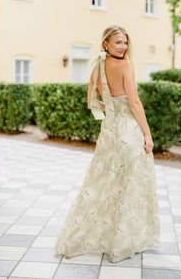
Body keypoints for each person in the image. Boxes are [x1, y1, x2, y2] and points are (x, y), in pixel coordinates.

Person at [54, 25, 160, 263]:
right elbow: (134, 101)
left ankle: (106, 236)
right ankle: (122, 241)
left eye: (125, 42)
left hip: (109, 132)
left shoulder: (98, 65)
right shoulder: (126, 65)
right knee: (130, 183)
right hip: (128, 130)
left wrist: (110, 108)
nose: (122, 47)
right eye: (118, 42)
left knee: (107, 181)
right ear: (106, 44)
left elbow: (91, 101)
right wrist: (148, 134)